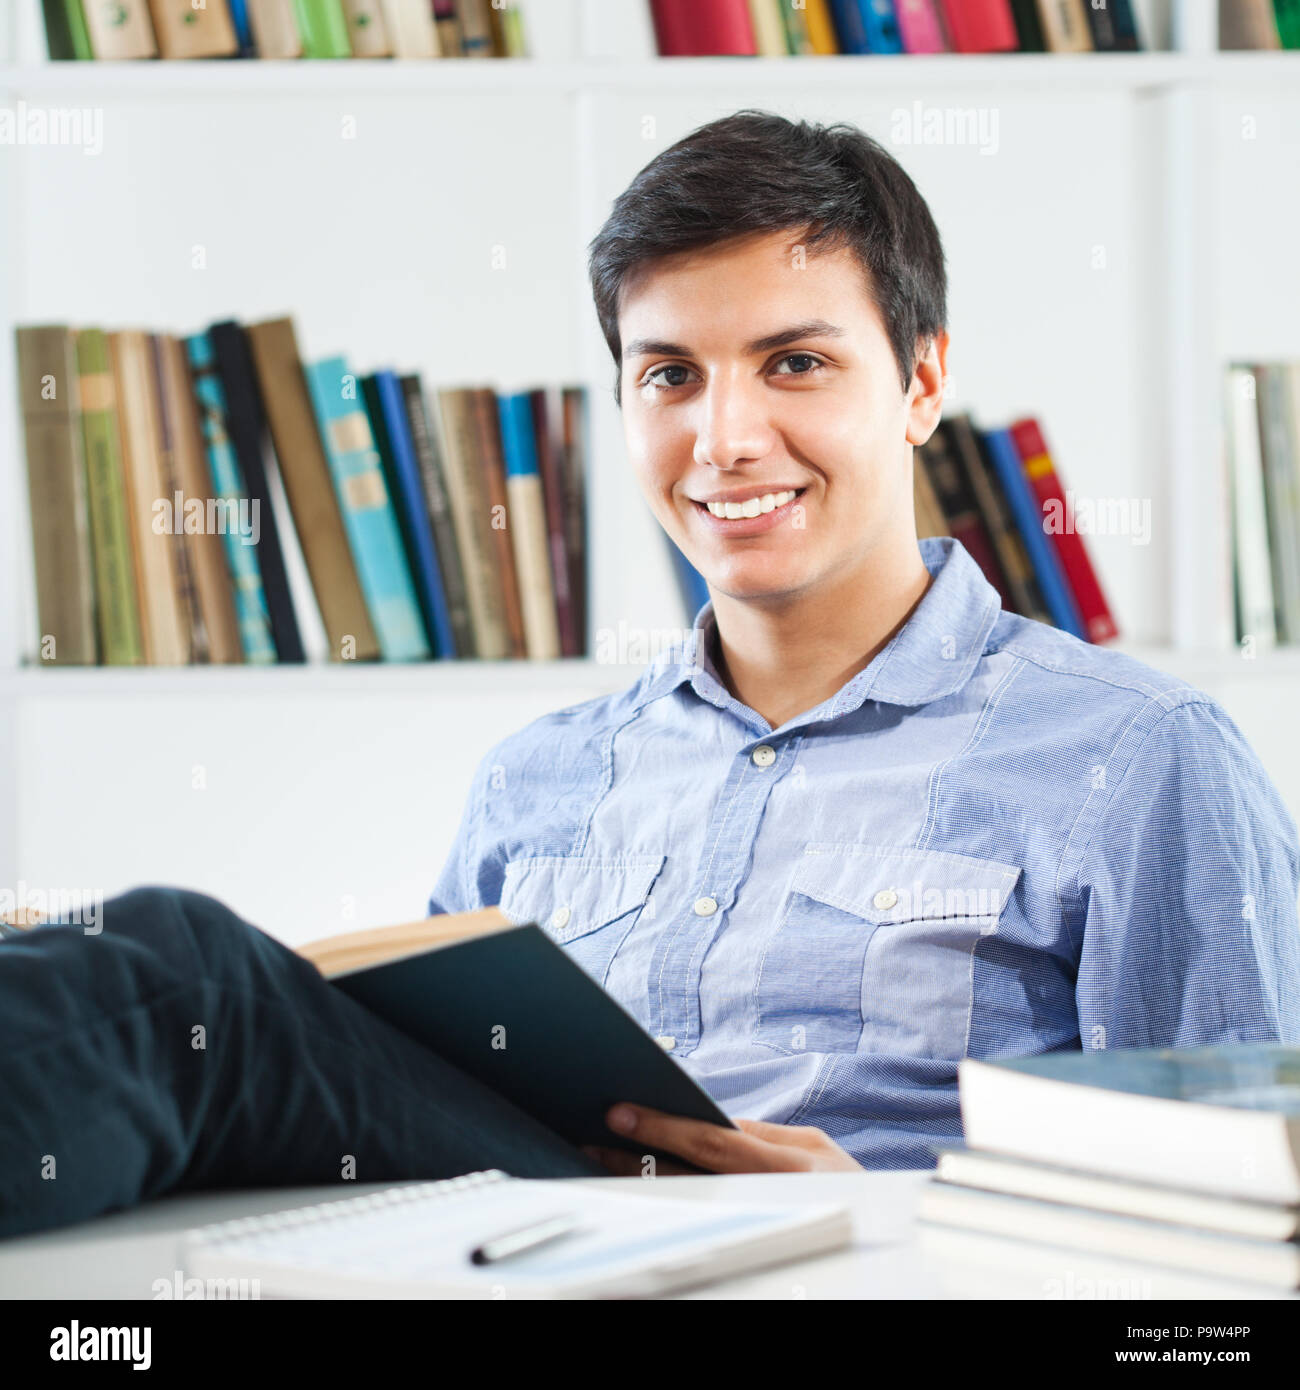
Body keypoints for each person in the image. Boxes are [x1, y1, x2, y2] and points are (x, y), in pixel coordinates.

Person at [2, 111, 1296, 1241]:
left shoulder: (1139, 757)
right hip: (526, 1247)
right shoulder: (539, 778)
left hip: (866, 1285)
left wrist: (899, 1222)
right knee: (118, 1001)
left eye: (796, 362)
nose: (725, 439)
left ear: (921, 381)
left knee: (180, 973)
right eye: (670, 375)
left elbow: (1241, 1249)